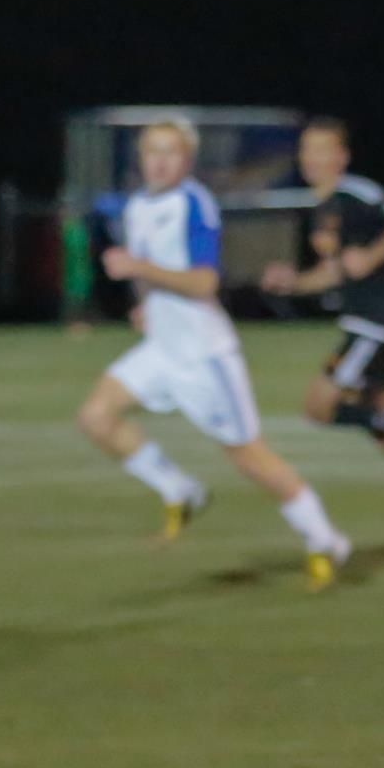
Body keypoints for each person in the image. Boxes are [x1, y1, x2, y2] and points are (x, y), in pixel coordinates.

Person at [75, 118, 350, 590]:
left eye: (171, 152)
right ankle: (179, 490)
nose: (159, 161)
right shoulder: (139, 206)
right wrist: (145, 306)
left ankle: (323, 537)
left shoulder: (192, 204)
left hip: (204, 357)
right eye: (151, 152)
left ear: (187, 161)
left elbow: (204, 282)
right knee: (97, 416)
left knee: (248, 457)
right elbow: (150, 275)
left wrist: (139, 268)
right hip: (162, 348)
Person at [260, 116, 384, 532]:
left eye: (322, 149)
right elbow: (337, 271)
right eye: (306, 149)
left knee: (320, 406)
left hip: (375, 320)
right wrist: (294, 282)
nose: (312, 158)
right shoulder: (324, 204)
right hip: (365, 320)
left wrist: (372, 257)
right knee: (373, 418)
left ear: (342, 156)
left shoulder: (355, 191)